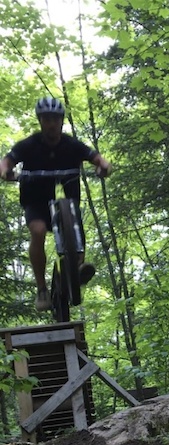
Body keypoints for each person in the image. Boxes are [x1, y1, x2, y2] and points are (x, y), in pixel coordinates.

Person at [0, 96, 112, 311]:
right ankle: (42, 290)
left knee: (73, 215)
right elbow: (6, 161)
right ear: (40, 121)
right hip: (35, 196)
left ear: (61, 121)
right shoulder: (29, 145)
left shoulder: (71, 145)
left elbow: (98, 159)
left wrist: (104, 167)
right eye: (46, 119)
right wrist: (5, 172)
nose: (51, 124)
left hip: (66, 195)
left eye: (55, 119)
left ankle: (77, 268)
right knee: (38, 230)